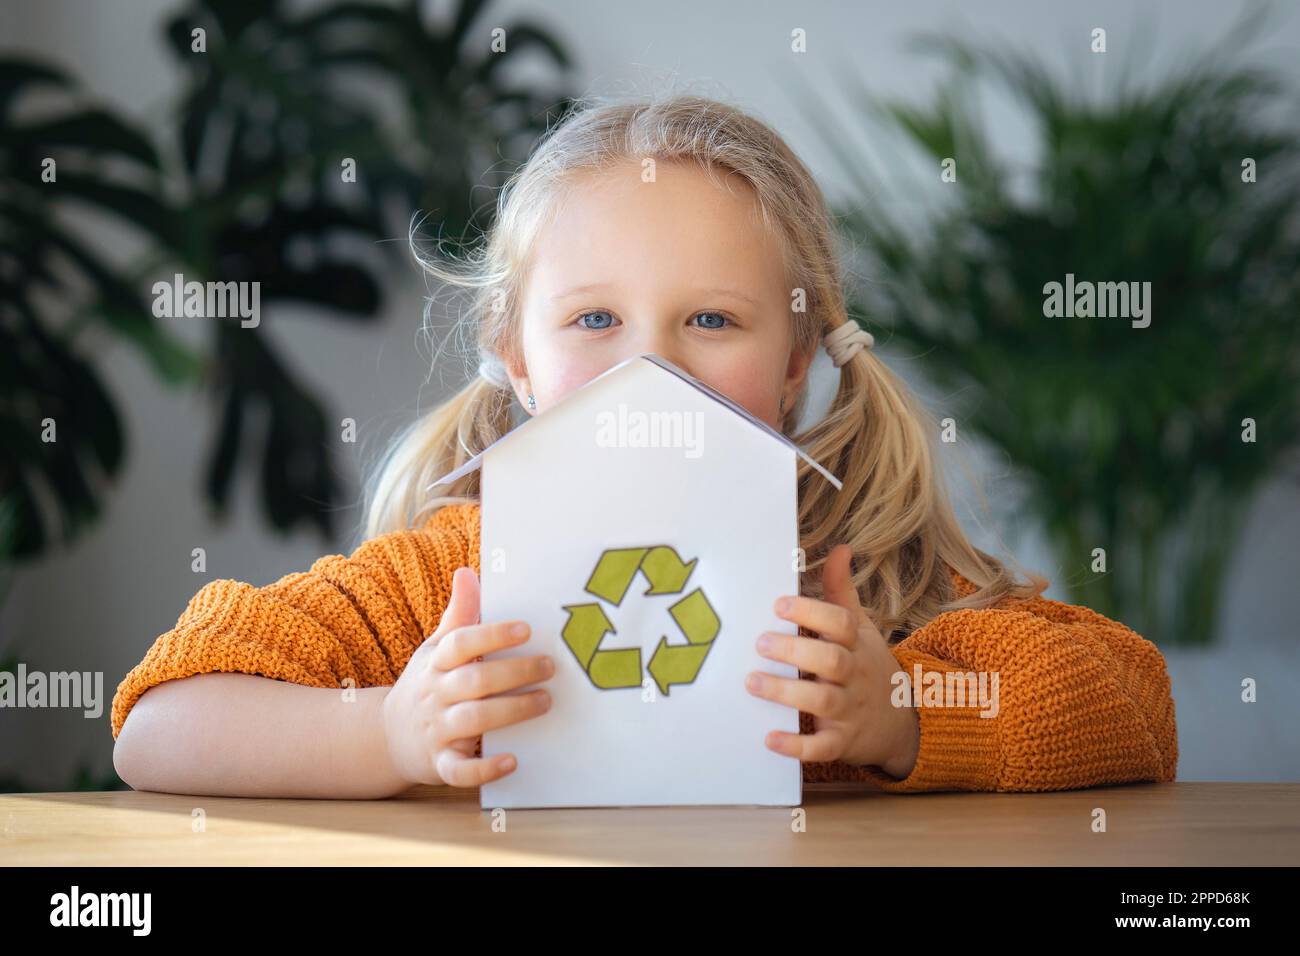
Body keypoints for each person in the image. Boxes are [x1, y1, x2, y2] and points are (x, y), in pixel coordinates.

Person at [110, 94, 1177, 799]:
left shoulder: (865, 580)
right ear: (517, 361)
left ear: (795, 360)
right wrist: (387, 732)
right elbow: (160, 721)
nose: (650, 366)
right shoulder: (446, 584)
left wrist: (903, 714)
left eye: (711, 320)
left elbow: (1137, 703)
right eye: (594, 320)